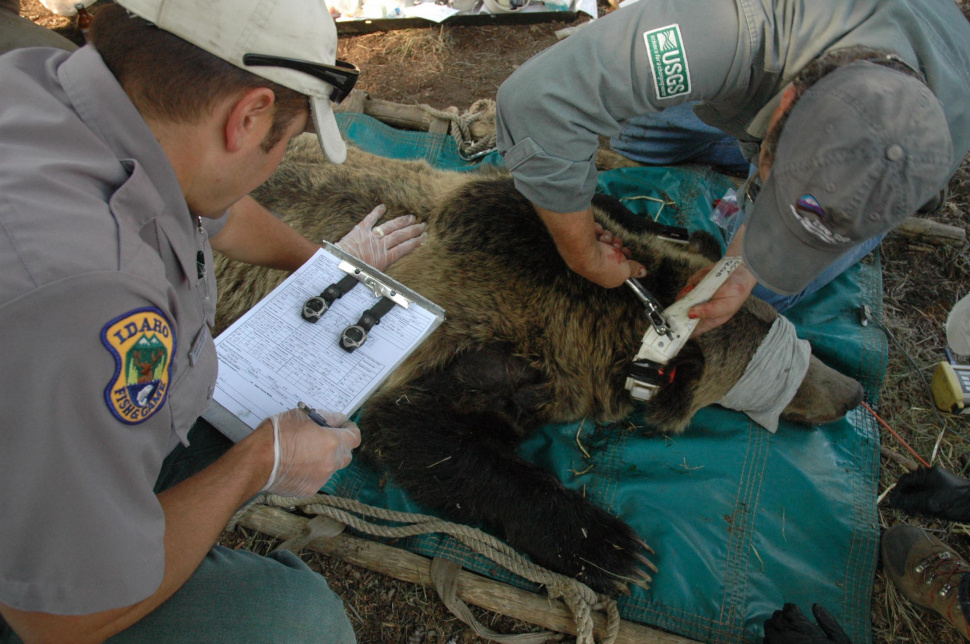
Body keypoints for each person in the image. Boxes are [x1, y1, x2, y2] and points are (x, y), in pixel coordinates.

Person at [0, 1, 427, 642]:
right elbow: (57, 620)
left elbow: (218, 211)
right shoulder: (95, 299)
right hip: (35, 600)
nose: (279, 156)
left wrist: (326, 265)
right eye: (285, 140)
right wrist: (260, 461)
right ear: (249, 116)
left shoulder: (52, 86)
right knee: (297, 622)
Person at [495, 0, 970, 335]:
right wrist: (581, 252)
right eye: (778, 170)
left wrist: (743, 268)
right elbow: (534, 102)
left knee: (760, 301)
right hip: (747, 62)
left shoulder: (939, 136)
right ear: (785, 105)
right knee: (634, 138)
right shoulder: (730, 26)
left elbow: (835, 193)